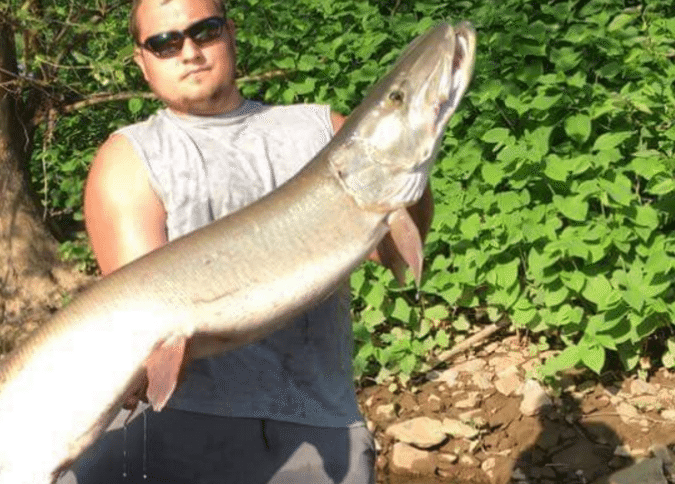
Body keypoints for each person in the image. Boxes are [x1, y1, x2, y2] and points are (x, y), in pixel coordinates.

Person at [59, 0, 433, 482]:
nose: (189, 52)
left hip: (318, 421)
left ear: (231, 33)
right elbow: (149, 331)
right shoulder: (130, 159)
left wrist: (411, 168)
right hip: (182, 425)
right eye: (165, 43)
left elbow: (394, 254)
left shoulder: (324, 131)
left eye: (205, 31)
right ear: (143, 61)